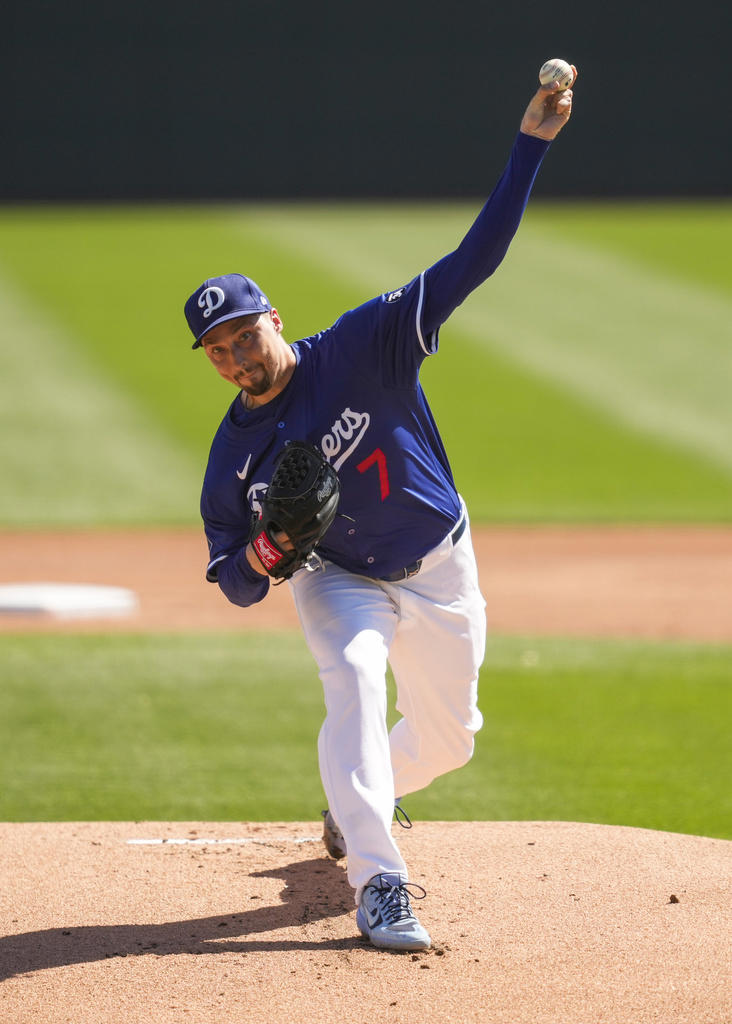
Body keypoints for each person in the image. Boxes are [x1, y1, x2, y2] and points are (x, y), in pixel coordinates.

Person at [184, 70, 576, 951]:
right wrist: (268, 553)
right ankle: (379, 880)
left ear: (274, 317)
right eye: (219, 349)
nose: (239, 353)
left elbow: (474, 259)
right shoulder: (232, 458)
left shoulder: (367, 344)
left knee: (452, 739)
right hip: (338, 578)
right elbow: (231, 577)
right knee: (354, 677)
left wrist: (531, 147)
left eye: (246, 331)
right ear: (209, 362)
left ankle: (356, 796)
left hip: (440, 563)